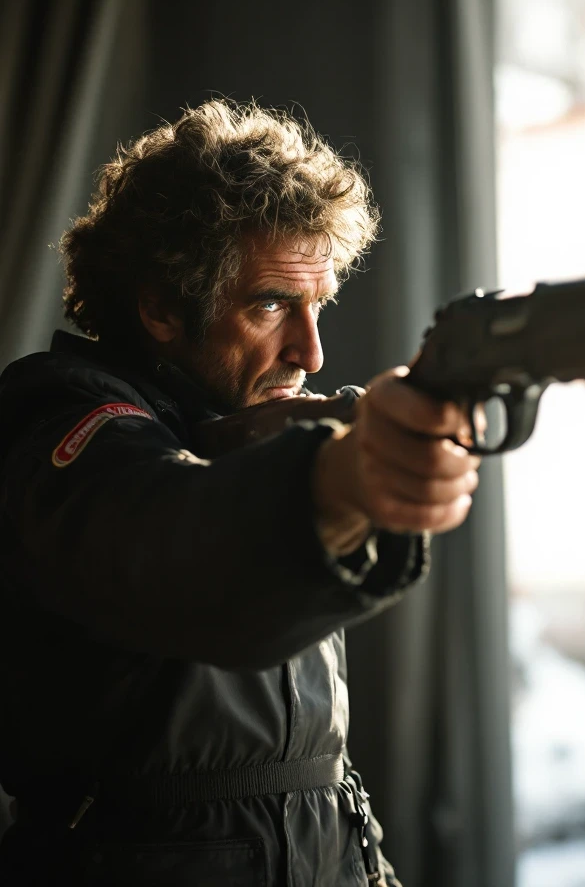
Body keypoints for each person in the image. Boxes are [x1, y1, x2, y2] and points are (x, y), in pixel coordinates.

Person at [0, 100, 481, 886]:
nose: (311, 352)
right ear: (160, 307)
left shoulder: (249, 432)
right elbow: (173, 545)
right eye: (271, 305)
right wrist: (339, 482)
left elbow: (309, 776)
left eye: (318, 305)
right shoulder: (62, 422)